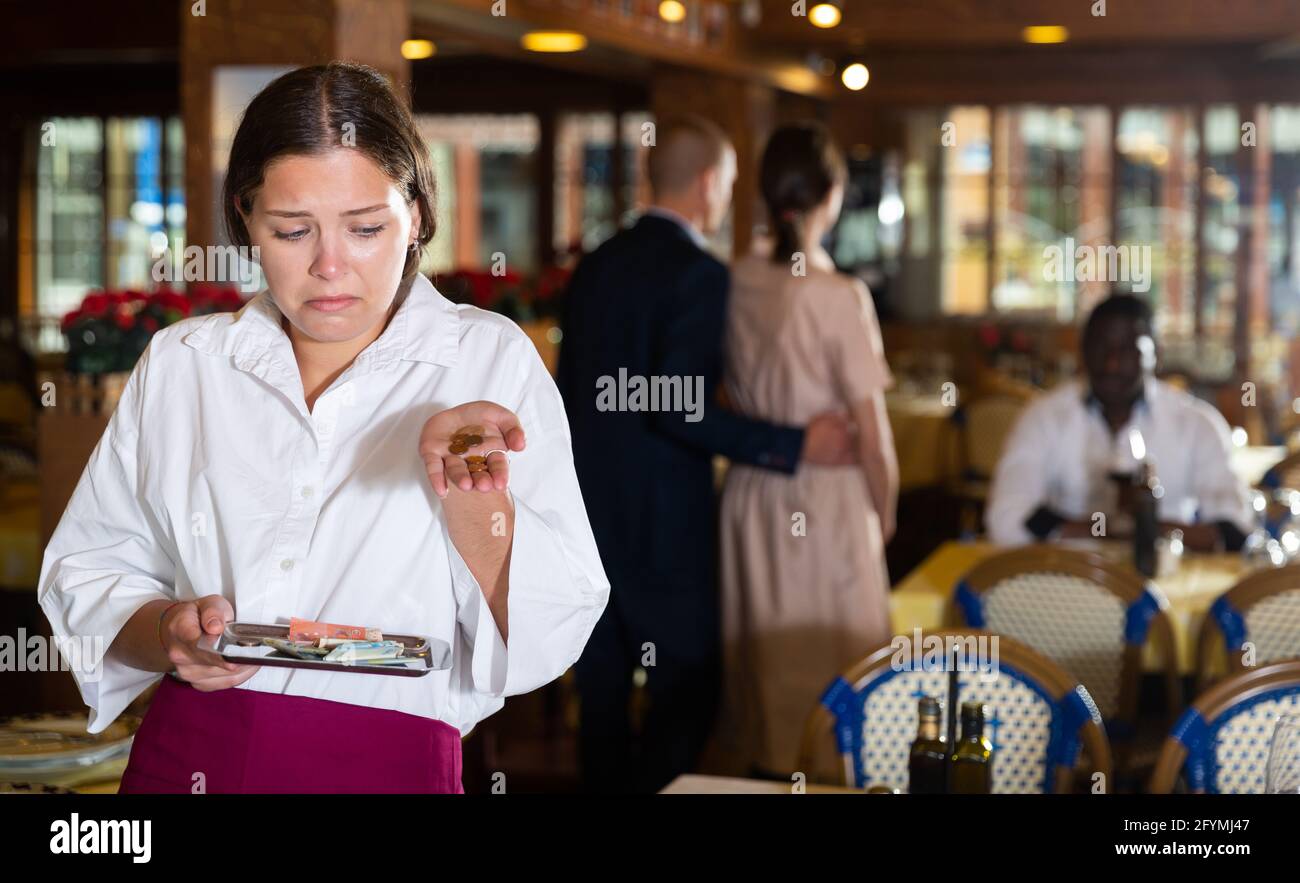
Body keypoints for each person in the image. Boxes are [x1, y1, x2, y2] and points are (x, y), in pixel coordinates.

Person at [37, 63, 609, 793]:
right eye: (291, 229)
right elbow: (92, 567)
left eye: (366, 228)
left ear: (417, 217)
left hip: (389, 760)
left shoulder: (485, 358)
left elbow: (549, 630)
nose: (330, 265)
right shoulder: (187, 361)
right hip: (192, 753)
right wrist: (170, 632)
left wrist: (474, 495)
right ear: (245, 217)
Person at [557, 115, 859, 793]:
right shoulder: (699, 273)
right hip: (667, 527)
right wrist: (792, 442)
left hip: (583, 512)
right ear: (707, 183)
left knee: (601, 697)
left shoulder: (594, 264)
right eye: (724, 186)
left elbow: (576, 392)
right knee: (688, 691)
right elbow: (675, 404)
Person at [708, 122, 899, 778]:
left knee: (765, 684)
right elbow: (874, 438)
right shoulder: (839, 295)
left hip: (751, 493)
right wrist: (885, 511)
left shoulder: (735, 280)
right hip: (827, 501)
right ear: (833, 195)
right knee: (841, 680)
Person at [986, 293, 1254, 551]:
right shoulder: (1044, 417)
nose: (1112, 363)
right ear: (1083, 351)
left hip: (1168, 586)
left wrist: (1147, 531)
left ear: (1156, 355)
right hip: (1067, 585)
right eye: (1100, 347)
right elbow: (1006, 520)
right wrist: (1108, 530)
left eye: (1128, 350)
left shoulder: (1196, 423)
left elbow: (1235, 528)